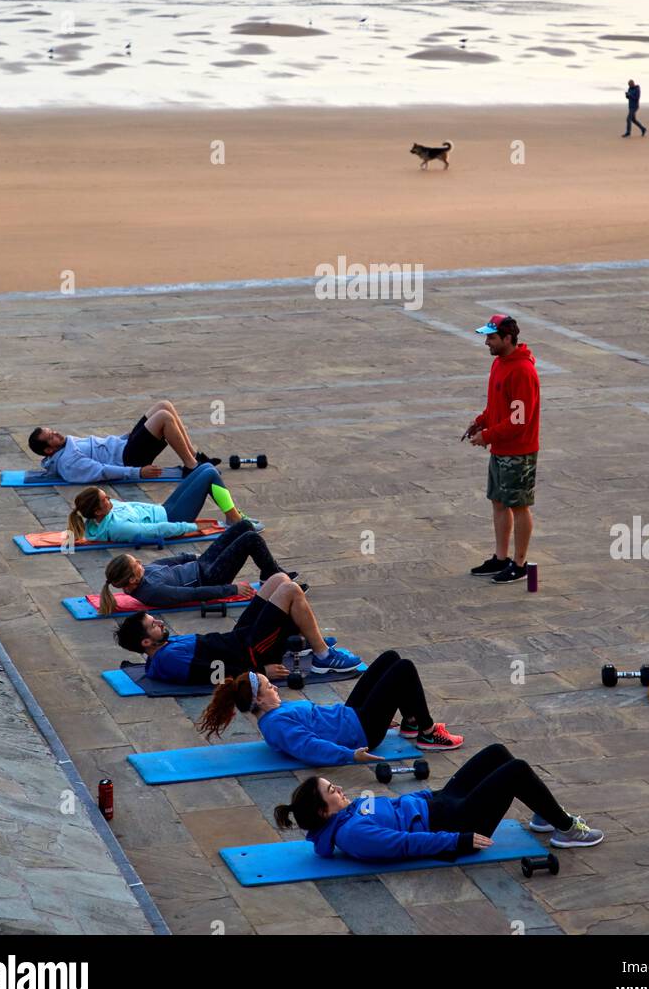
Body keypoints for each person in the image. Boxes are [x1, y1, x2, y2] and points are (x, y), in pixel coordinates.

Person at [274, 743, 603, 861]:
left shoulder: (347, 814)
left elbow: (398, 806)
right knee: (515, 771)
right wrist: (458, 840)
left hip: (441, 803)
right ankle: (566, 829)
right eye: (332, 791)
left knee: (497, 753)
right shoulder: (351, 834)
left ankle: (544, 815)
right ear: (322, 811)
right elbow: (405, 844)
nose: (340, 789)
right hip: (454, 824)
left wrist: (431, 795)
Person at [196, 650, 463, 760]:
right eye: (269, 687)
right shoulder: (276, 725)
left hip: (350, 715)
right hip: (362, 731)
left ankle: (410, 722)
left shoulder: (274, 713)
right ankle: (428, 732)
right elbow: (310, 748)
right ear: (259, 700)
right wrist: (351, 755)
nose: (276, 687)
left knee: (390, 658)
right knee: (403, 669)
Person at [113, 575, 364, 680]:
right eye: (152, 625)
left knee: (278, 579)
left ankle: (299, 641)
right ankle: (323, 657)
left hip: (238, 639)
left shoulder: (163, 649)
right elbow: (213, 673)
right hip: (252, 651)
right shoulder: (168, 660)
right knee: (291, 591)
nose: (158, 621)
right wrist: (258, 670)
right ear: (146, 643)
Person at [465, 314, 540, 584]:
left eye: (491, 337)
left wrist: (487, 436)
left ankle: (520, 564)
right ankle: (500, 557)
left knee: (518, 506)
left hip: (518, 451)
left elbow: (519, 420)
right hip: (501, 449)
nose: (487, 342)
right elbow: (497, 404)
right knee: (498, 502)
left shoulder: (521, 371)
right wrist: (480, 422)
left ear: (507, 338)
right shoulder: (500, 363)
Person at [97, 518, 293, 616]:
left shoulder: (140, 575)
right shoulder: (152, 592)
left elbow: (168, 562)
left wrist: (194, 556)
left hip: (202, 564)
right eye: (136, 564)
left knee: (244, 525)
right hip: (210, 578)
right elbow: (193, 594)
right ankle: (272, 576)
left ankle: (271, 573)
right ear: (132, 579)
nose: (140, 563)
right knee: (251, 539)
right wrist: (231, 589)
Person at [28, 400, 221, 483]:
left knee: (164, 405)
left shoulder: (64, 447)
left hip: (124, 446)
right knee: (164, 417)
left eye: (53, 431)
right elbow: (101, 472)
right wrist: (138, 472)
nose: (57, 434)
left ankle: (195, 456)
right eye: (51, 436)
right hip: (129, 459)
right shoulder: (68, 463)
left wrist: (124, 437)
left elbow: (98, 446)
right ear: (48, 451)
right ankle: (191, 466)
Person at [67, 463, 259, 546]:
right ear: (97, 511)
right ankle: (234, 519)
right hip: (174, 516)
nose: (110, 498)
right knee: (210, 475)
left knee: (206, 467)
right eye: (105, 500)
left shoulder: (102, 514)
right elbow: (157, 530)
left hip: (164, 508)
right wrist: (193, 527)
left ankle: (232, 514)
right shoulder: (118, 527)